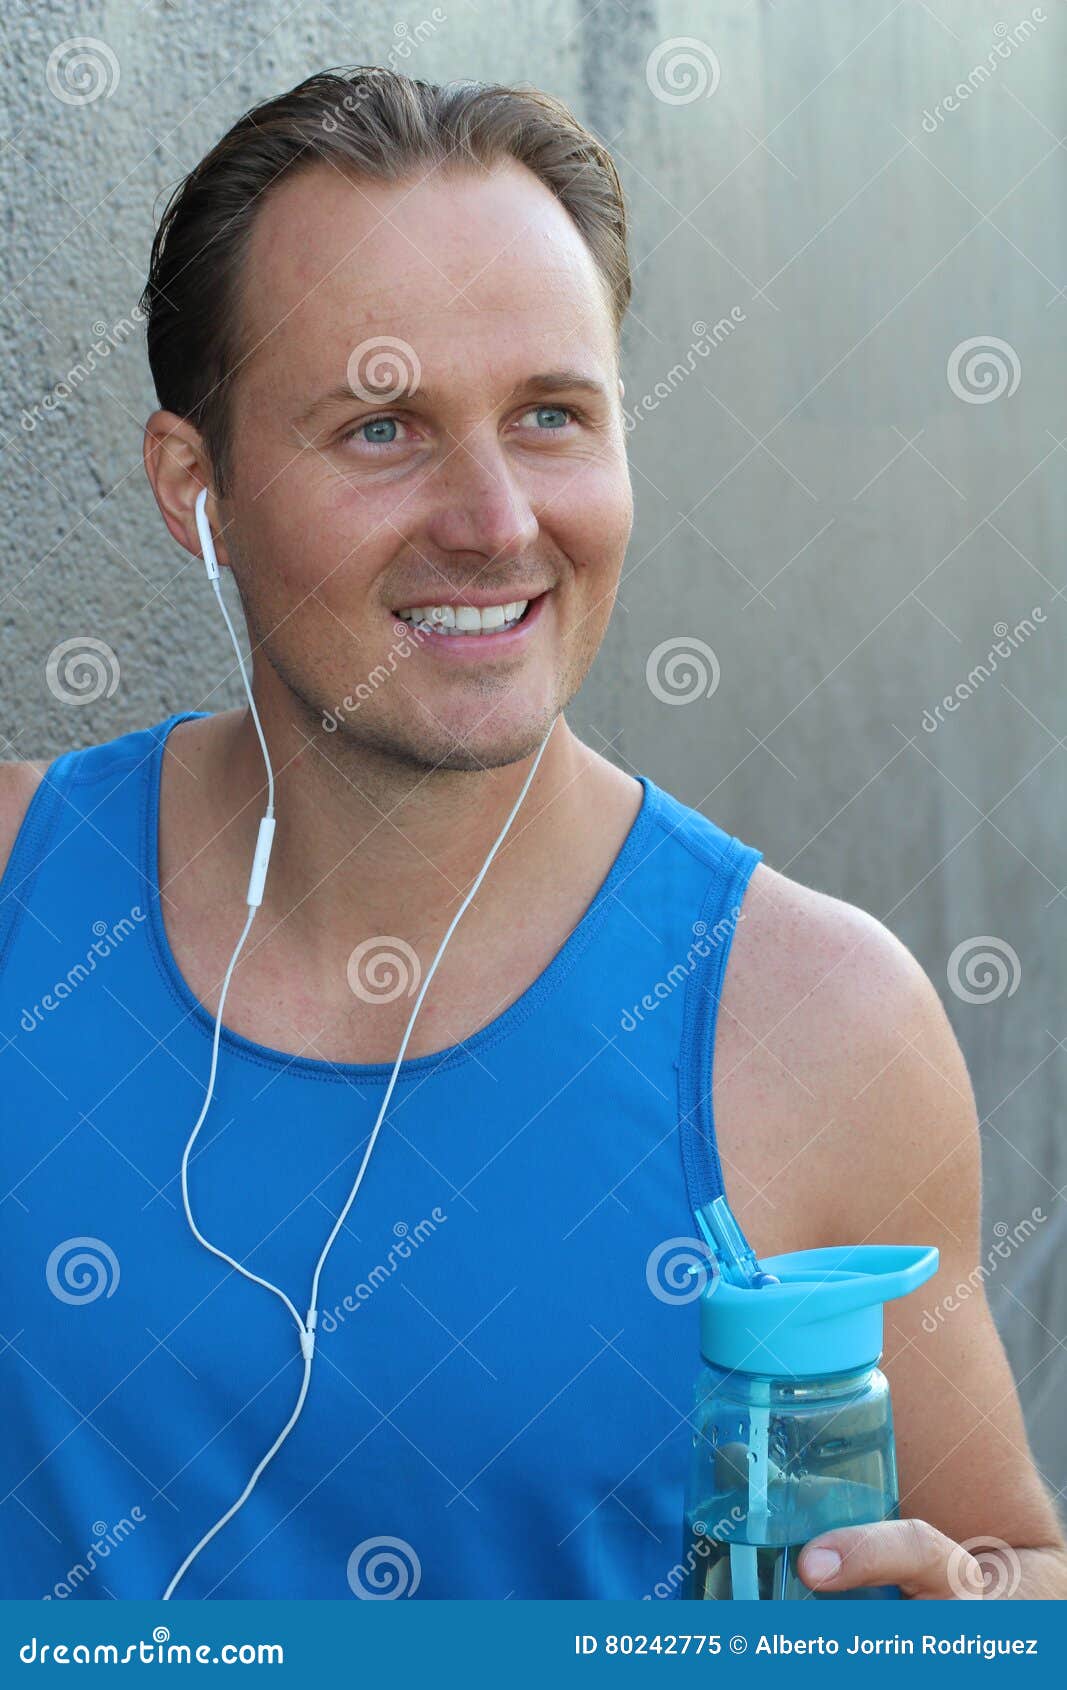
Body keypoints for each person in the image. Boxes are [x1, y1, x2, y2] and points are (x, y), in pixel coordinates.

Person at [0, 67, 1062, 1602]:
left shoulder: (822, 1026)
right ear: (196, 488)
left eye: (551, 415)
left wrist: (957, 1620)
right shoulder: (25, 892)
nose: (496, 520)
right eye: (383, 427)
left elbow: (1022, 1567)